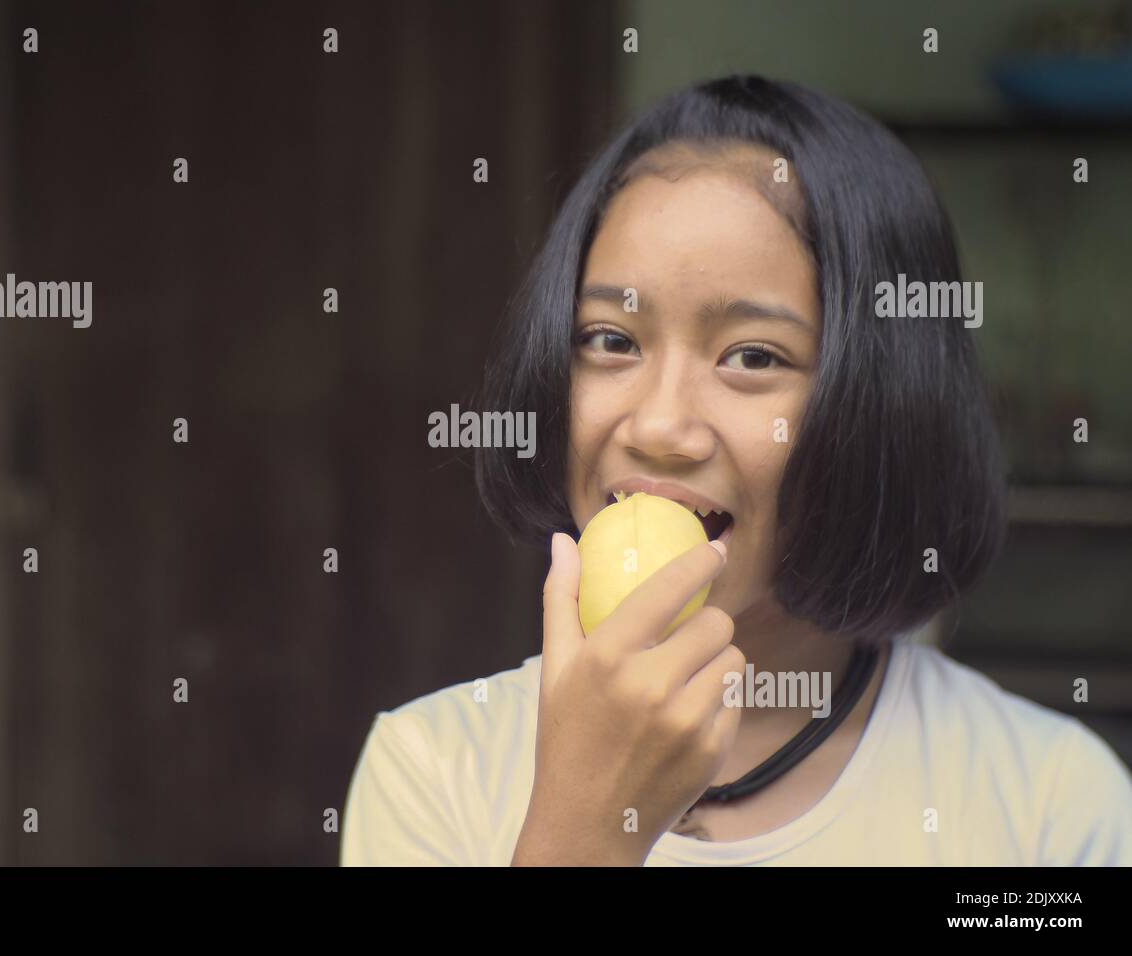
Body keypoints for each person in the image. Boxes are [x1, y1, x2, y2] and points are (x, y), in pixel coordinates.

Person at [339, 75, 1132, 866]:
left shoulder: (1050, 808)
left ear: (885, 402)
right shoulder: (434, 773)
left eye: (752, 356)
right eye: (611, 339)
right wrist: (583, 826)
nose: (659, 426)